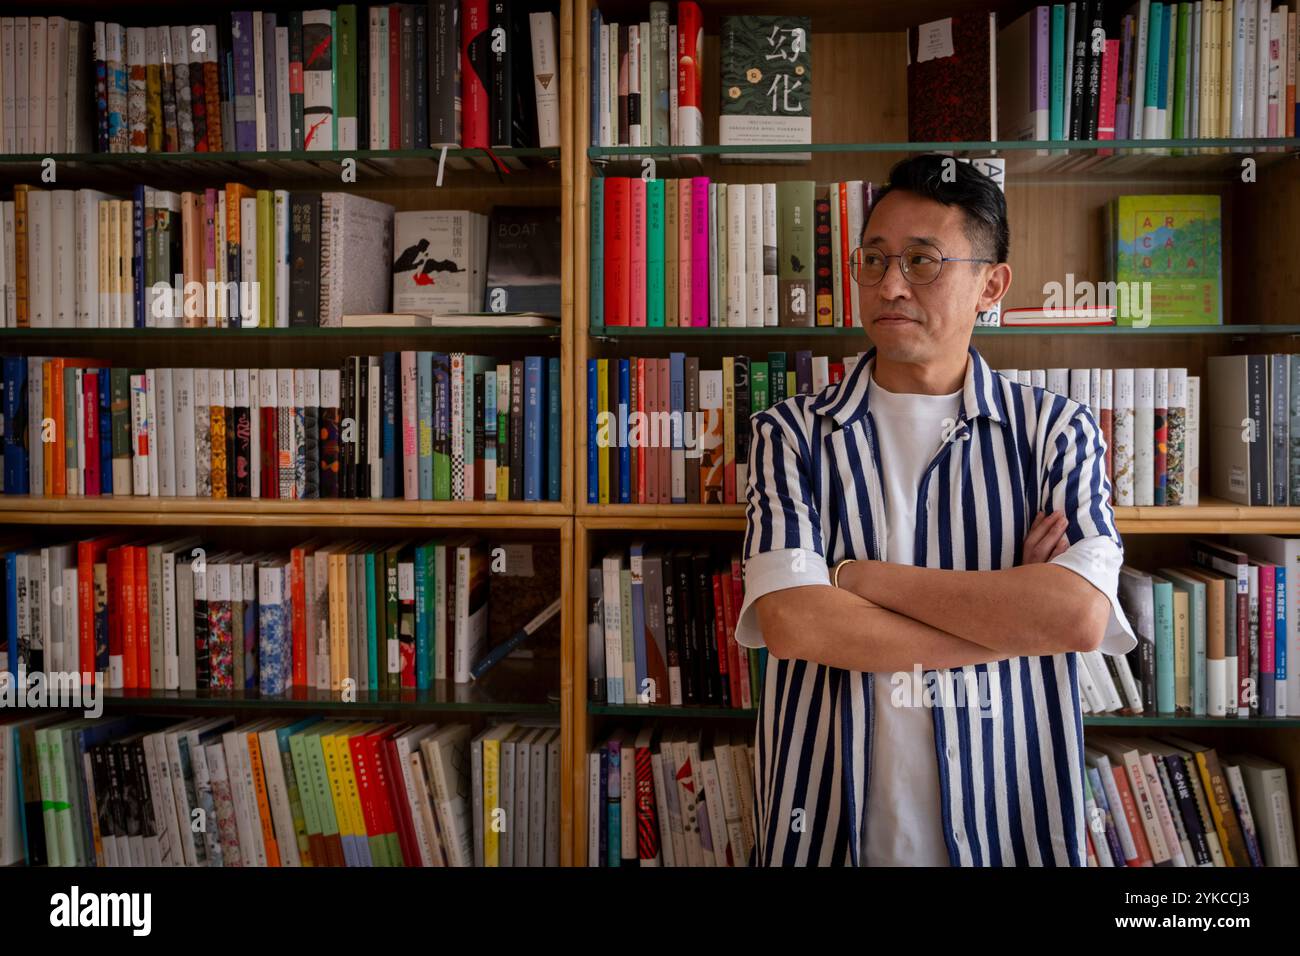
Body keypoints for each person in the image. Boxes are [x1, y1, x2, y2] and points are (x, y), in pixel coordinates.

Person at [735, 154, 1136, 866]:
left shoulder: (1056, 433)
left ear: (992, 284)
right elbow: (793, 623)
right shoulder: (789, 433)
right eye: (875, 259)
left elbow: (1076, 618)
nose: (890, 284)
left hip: (1010, 831)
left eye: (923, 261)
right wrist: (1013, 620)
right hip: (830, 829)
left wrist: (857, 578)